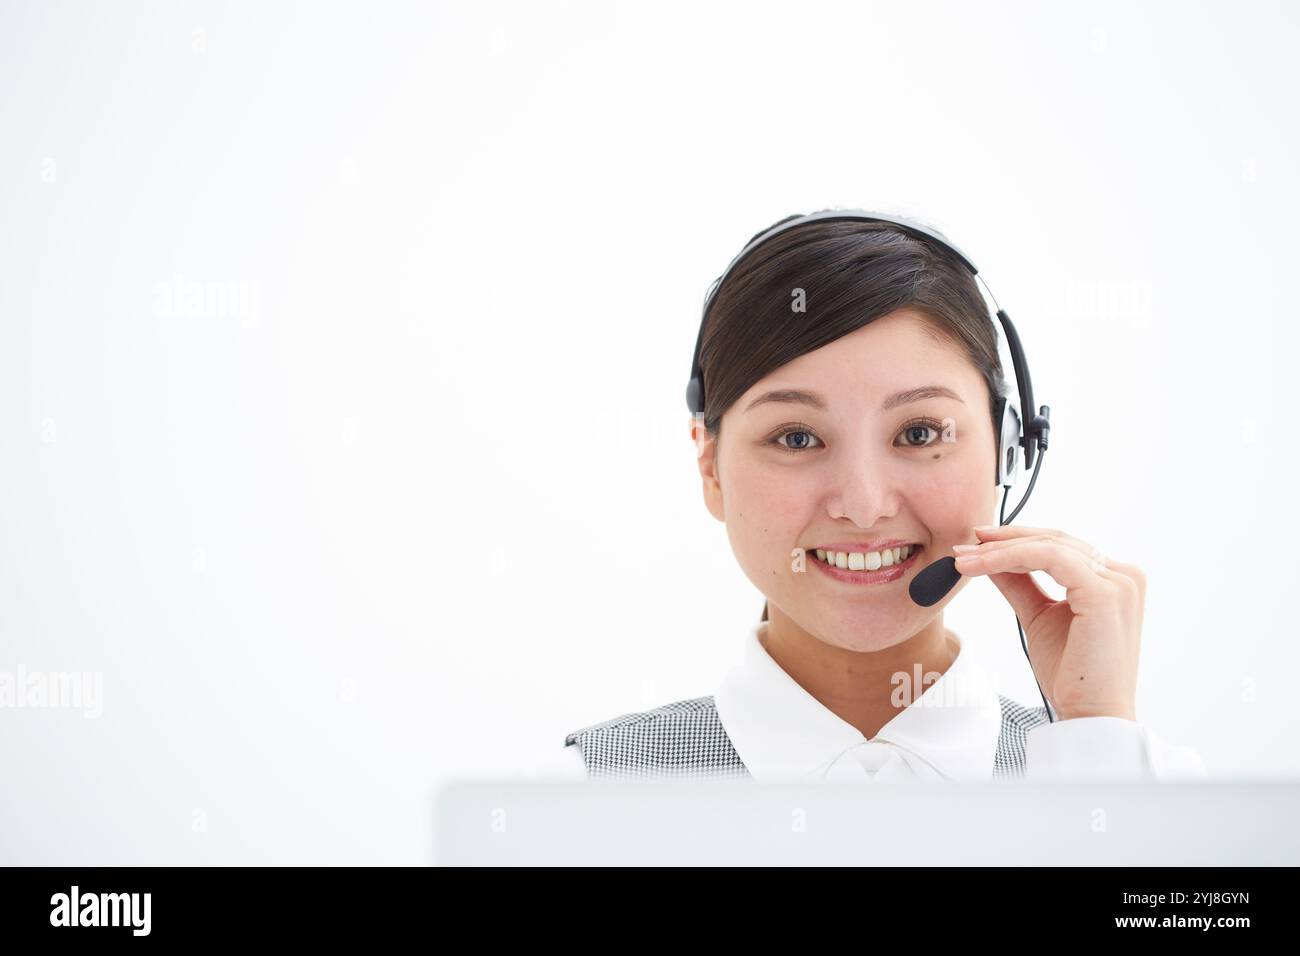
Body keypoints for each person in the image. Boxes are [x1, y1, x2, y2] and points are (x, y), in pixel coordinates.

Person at [539, 212, 1207, 783]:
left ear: (1010, 450)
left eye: (919, 432)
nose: (863, 505)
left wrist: (1095, 753)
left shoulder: (1147, 788)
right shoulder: (577, 805)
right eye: (797, 438)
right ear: (710, 467)